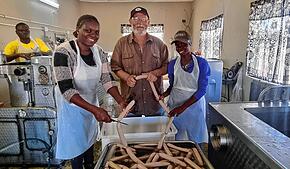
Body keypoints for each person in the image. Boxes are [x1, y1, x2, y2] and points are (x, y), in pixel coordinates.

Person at [53, 15, 126, 169]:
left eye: (96, 32)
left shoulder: (99, 52)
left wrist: (121, 101)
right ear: (76, 32)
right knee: (76, 145)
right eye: (88, 30)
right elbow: (67, 90)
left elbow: (107, 81)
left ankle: (90, 165)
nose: (93, 35)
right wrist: (95, 110)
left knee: (89, 140)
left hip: (91, 103)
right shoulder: (63, 52)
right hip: (72, 108)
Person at [111, 6, 169, 116]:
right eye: (135, 18)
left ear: (148, 22)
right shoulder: (121, 43)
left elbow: (166, 66)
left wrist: (155, 73)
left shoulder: (159, 44)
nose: (139, 22)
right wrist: (127, 77)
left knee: (157, 132)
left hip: (155, 103)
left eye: (143, 19)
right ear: (130, 21)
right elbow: (115, 66)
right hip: (130, 104)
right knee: (130, 133)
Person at [160, 30, 210, 144]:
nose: (180, 47)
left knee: (196, 138)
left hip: (194, 106)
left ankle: (198, 157)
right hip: (175, 103)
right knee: (177, 135)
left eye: (184, 44)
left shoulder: (201, 64)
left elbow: (202, 90)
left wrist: (182, 107)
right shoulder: (173, 64)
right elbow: (172, 86)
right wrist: (163, 95)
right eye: (177, 45)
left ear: (190, 44)